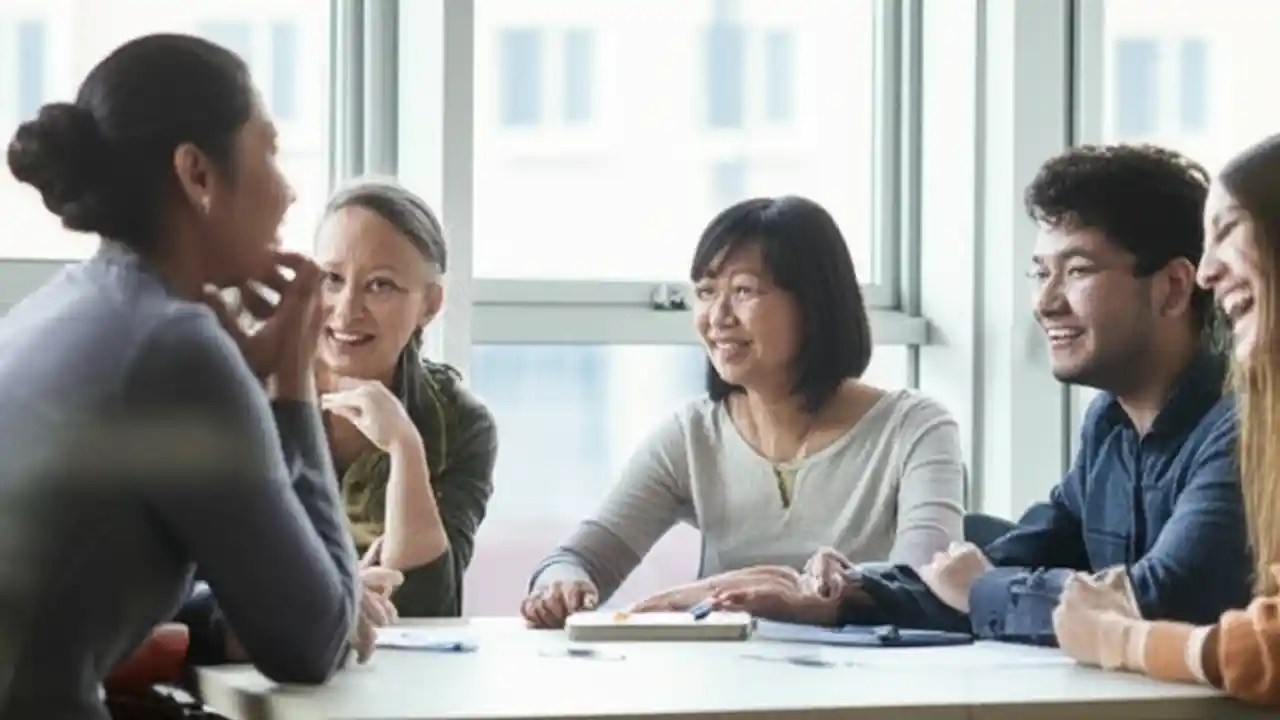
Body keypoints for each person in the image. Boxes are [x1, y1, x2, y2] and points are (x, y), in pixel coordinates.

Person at [708, 145, 1253, 638]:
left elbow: (1162, 600)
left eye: (1077, 270)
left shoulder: (1244, 424)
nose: (1046, 302)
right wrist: (850, 595)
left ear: (1175, 287)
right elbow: (1020, 553)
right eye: (1040, 274)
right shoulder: (1109, 423)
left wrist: (980, 591)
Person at [0, 34, 364, 718]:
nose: (288, 192)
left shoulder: (58, 307)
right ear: (197, 174)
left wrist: (250, 391)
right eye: (270, 151)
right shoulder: (176, 347)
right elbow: (313, 640)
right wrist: (292, 384)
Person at [520, 195, 966, 628]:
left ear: (814, 305)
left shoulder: (915, 428)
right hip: (724, 691)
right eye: (706, 291)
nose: (717, 316)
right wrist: (563, 585)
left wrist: (808, 596)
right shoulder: (692, 436)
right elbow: (575, 559)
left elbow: (924, 586)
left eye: (743, 291)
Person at [1053, 134, 1280, 706]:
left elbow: (1266, 648)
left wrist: (1120, 638)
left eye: (1227, 230)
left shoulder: (1235, 422)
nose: (1207, 273)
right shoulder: (1106, 423)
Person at [314, 178, 498, 617]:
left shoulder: (461, 423)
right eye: (332, 279)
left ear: (430, 305)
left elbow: (427, 608)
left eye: (380, 285)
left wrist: (404, 448)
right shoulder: (251, 392)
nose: (346, 309)